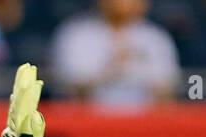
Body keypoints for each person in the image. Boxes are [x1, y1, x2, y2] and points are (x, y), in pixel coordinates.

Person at [49, 0, 179, 107]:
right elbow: (69, 89)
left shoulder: (156, 38)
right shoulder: (75, 34)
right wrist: (112, 68)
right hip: (88, 124)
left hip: (144, 124)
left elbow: (167, 91)